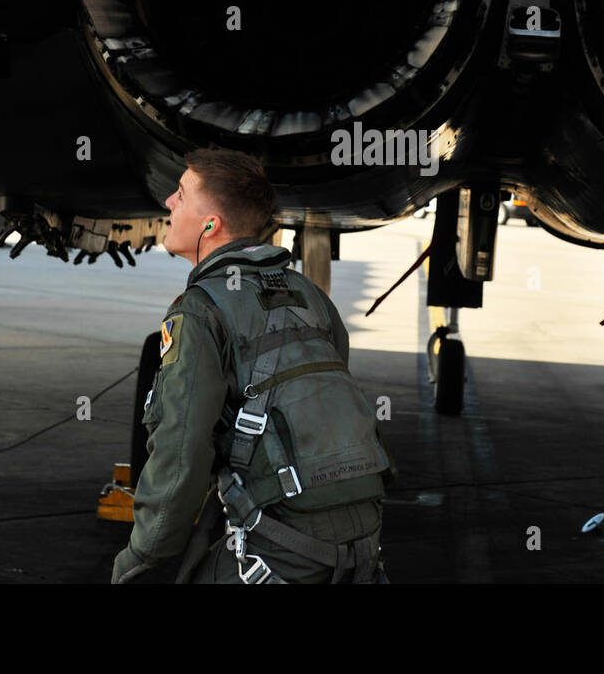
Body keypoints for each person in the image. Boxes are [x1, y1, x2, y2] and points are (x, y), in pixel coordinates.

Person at [111, 146, 394, 584]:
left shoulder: (200, 312)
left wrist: (138, 559)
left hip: (286, 550)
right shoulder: (311, 297)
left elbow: (180, 452)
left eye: (181, 194)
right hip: (362, 544)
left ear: (211, 224)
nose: (168, 202)